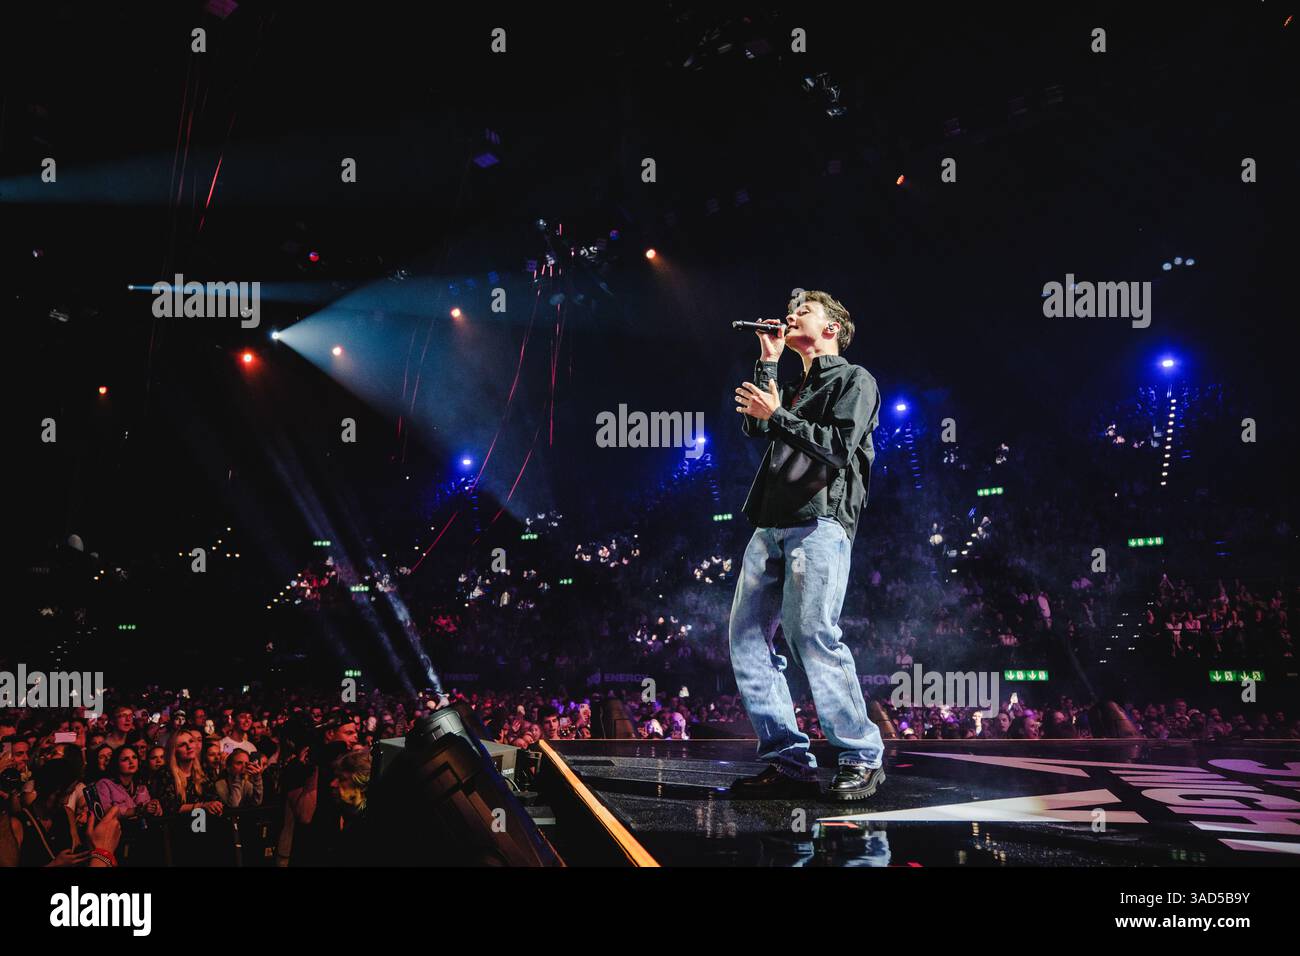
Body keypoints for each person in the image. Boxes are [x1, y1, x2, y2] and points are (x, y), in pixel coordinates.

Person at [728, 288, 885, 800]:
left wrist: (777, 415)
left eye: (805, 312)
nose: (791, 314)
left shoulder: (855, 380)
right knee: (748, 639)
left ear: (831, 328)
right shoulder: (793, 387)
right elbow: (755, 425)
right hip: (770, 524)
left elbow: (839, 448)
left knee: (810, 634)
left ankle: (861, 755)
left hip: (819, 523)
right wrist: (769, 361)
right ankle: (788, 760)